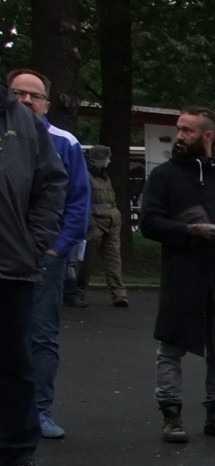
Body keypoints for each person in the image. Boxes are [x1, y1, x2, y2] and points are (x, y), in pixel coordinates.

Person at [138, 106, 215, 442]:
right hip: (182, 276)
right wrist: (190, 231)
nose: (179, 136)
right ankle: (171, 416)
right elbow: (149, 222)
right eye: (178, 129)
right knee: (171, 347)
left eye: (187, 130)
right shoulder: (165, 176)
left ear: (206, 136)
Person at [9, 70, 89, 441]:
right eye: (18, 93)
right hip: (5, 255)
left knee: (40, 334)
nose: (27, 101)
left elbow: (77, 203)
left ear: (47, 104)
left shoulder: (65, 143)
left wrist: (57, 247)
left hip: (45, 257)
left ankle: (38, 409)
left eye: (35, 96)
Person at [0, 80, 66, 466]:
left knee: (14, 366)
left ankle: (16, 457)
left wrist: (35, 239)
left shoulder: (23, 122)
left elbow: (52, 183)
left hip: (11, 264)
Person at [74, 145, 129, 309]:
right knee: (86, 261)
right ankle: (77, 292)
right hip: (95, 222)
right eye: (107, 158)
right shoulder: (86, 176)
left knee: (114, 260)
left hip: (111, 221)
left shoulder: (104, 177)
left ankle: (119, 294)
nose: (109, 161)